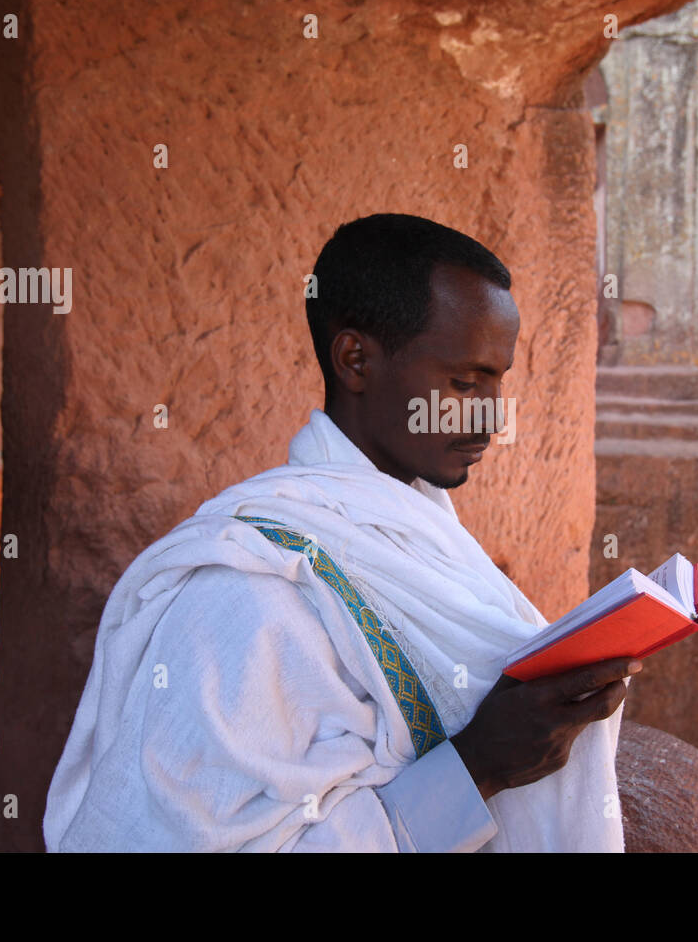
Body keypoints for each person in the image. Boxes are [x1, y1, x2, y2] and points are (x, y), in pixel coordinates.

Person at [42, 213, 640, 852]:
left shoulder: (419, 536)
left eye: (499, 382)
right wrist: (478, 768)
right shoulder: (242, 592)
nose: (493, 418)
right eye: (465, 383)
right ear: (355, 359)